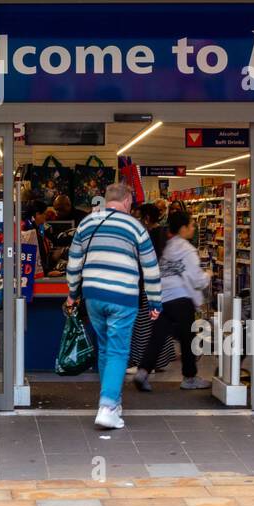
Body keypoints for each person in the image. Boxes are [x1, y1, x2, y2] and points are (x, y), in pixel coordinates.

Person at [64, 182, 161, 430]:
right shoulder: (135, 227)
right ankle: (107, 407)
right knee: (118, 350)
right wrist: (154, 301)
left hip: (93, 295)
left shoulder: (86, 223)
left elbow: (74, 262)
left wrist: (72, 294)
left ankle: (114, 403)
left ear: (106, 199)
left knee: (106, 348)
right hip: (123, 297)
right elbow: (150, 267)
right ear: (127, 201)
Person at [134, 210, 211, 393]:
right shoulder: (188, 250)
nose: (193, 228)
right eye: (191, 225)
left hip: (163, 297)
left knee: (157, 336)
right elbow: (196, 279)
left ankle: (143, 371)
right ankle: (189, 377)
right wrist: (208, 275)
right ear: (183, 228)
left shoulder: (167, 248)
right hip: (181, 298)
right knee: (187, 338)